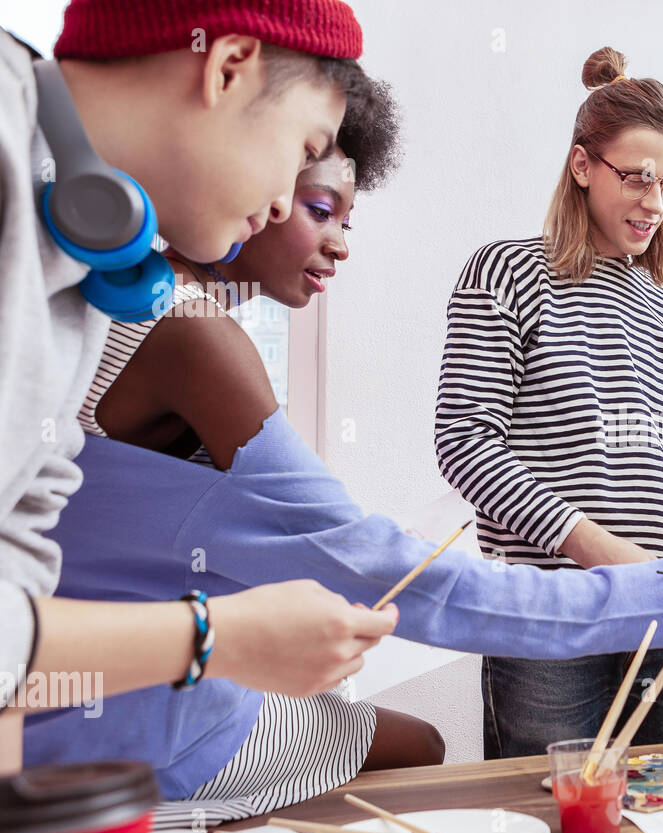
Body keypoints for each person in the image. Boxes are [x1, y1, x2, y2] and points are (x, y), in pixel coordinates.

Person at [27, 57, 663, 823]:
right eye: (312, 203)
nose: (332, 239)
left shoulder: (135, 317)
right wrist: (637, 582)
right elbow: (423, 500)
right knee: (506, 792)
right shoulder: (194, 333)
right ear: (583, 166)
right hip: (135, 721)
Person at [0, 0, 404, 773]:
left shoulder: (99, 278)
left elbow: (16, 588)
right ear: (226, 67)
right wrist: (215, 637)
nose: (285, 201)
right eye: (303, 151)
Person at [436, 47, 663, 759]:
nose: (655, 201)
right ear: (582, 166)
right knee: (551, 819)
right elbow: (464, 439)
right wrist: (604, 555)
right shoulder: (507, 271)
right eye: (636, 177)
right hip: (549, 617)